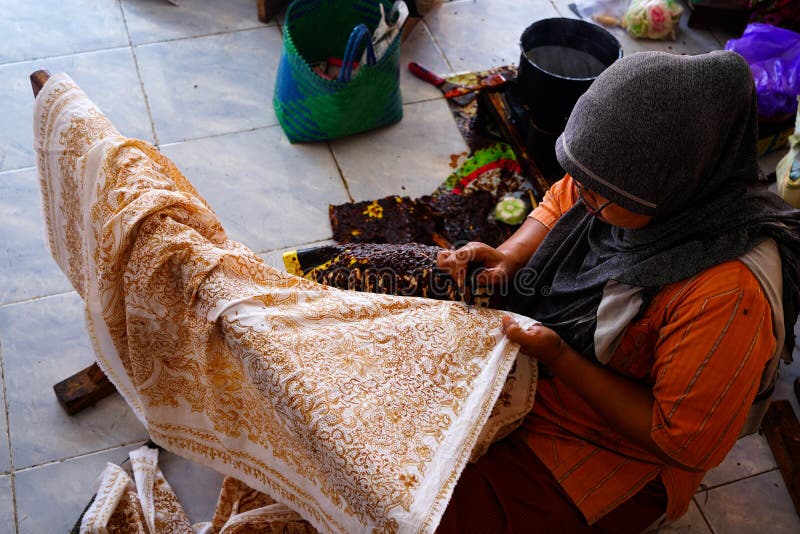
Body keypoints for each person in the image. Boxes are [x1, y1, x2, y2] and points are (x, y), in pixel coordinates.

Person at [436, 50, 800, 533]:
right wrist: (512, 255)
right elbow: (564, 196)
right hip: (554, 362)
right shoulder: (628, 189)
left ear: (673, 186)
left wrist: (561, 358)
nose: (585, 197)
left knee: (448, 511)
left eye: (602, 196)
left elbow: (682, 439)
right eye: (584, 179)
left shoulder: (727, 296)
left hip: (616, 444)